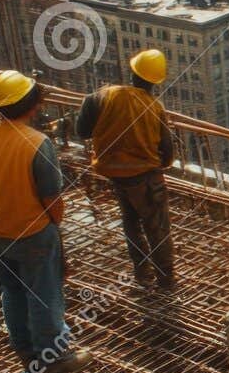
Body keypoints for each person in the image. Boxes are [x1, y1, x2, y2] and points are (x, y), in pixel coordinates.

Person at [0, 71, 92, 373]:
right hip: (32, 232)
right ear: (31, 105)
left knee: (13, 291)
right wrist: (54, 226)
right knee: (44, 295)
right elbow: (52, 198)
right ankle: (52, 357)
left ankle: (25, 349)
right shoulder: (36, 143)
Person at [75, 49, 176, 290]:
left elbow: (83, 131)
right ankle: (166, 281)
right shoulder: (154, 107)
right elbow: (167, 150)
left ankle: (142, 274)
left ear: (132, 73)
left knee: (131, 224)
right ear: (156, 82)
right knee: (157, 229)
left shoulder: (101, 97)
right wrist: (158, 164)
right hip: (146, 178)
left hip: (115, 174)